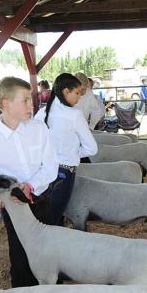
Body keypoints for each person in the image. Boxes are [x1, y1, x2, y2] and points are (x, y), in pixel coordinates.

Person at [0, 77, 58, 288]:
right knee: (19, 251)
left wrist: (30, 185)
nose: (31, 105)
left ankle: (50, 292)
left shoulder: (39, 129)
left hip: (41, 199)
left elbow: (50, 165)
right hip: (13, 208)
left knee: (47, 249)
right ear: (6, 103)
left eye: (30, 99)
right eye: (25, 100)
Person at [35, 73, 97, 225]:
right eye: (77, 93)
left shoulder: (41, 113)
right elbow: (92, 149)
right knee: (55, 217)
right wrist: (73, 152)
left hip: (42, 172)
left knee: (44, 217)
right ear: (66, 92)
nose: (79, 97)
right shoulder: (75, 115)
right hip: (65, 172)